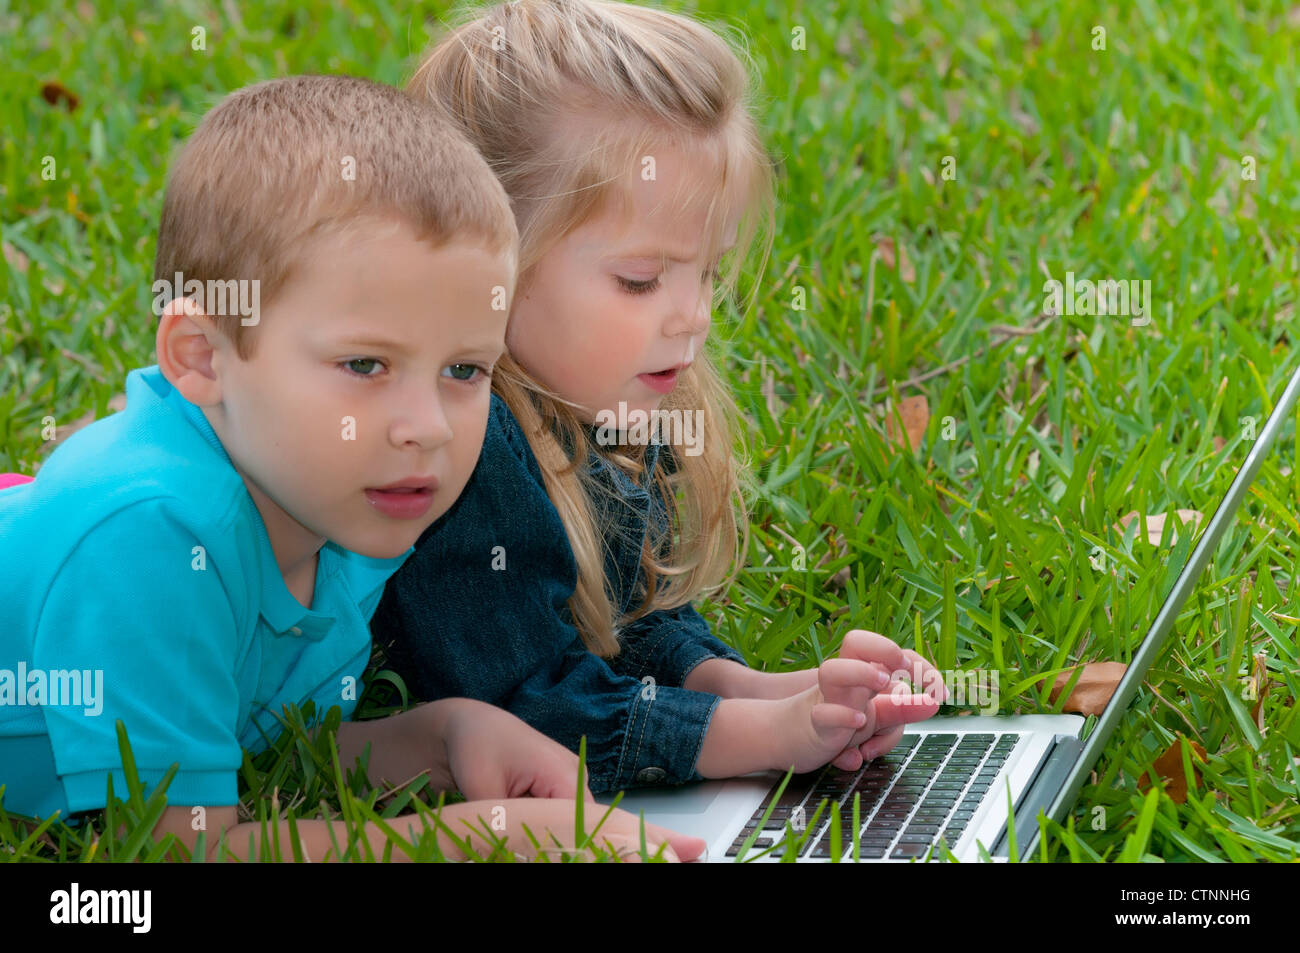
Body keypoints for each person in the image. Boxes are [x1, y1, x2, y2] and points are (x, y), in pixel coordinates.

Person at [0, 73, 703, 862]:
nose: (427, 428)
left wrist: (445, 733)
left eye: (466, 370)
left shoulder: (347, 505)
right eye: (366, 363)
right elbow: (177, 848)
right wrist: (476, 840)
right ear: (202, 356)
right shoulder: (151, 542)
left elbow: (250, 742)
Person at [372, 0, 947, 797]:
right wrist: (761, 737)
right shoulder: (462, 442)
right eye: (641, 279)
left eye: (708, 272)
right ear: (489, 265)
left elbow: (628, 620)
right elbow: (519, 710)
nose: (695, 314)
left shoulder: (613, 391)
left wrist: (782, 694)